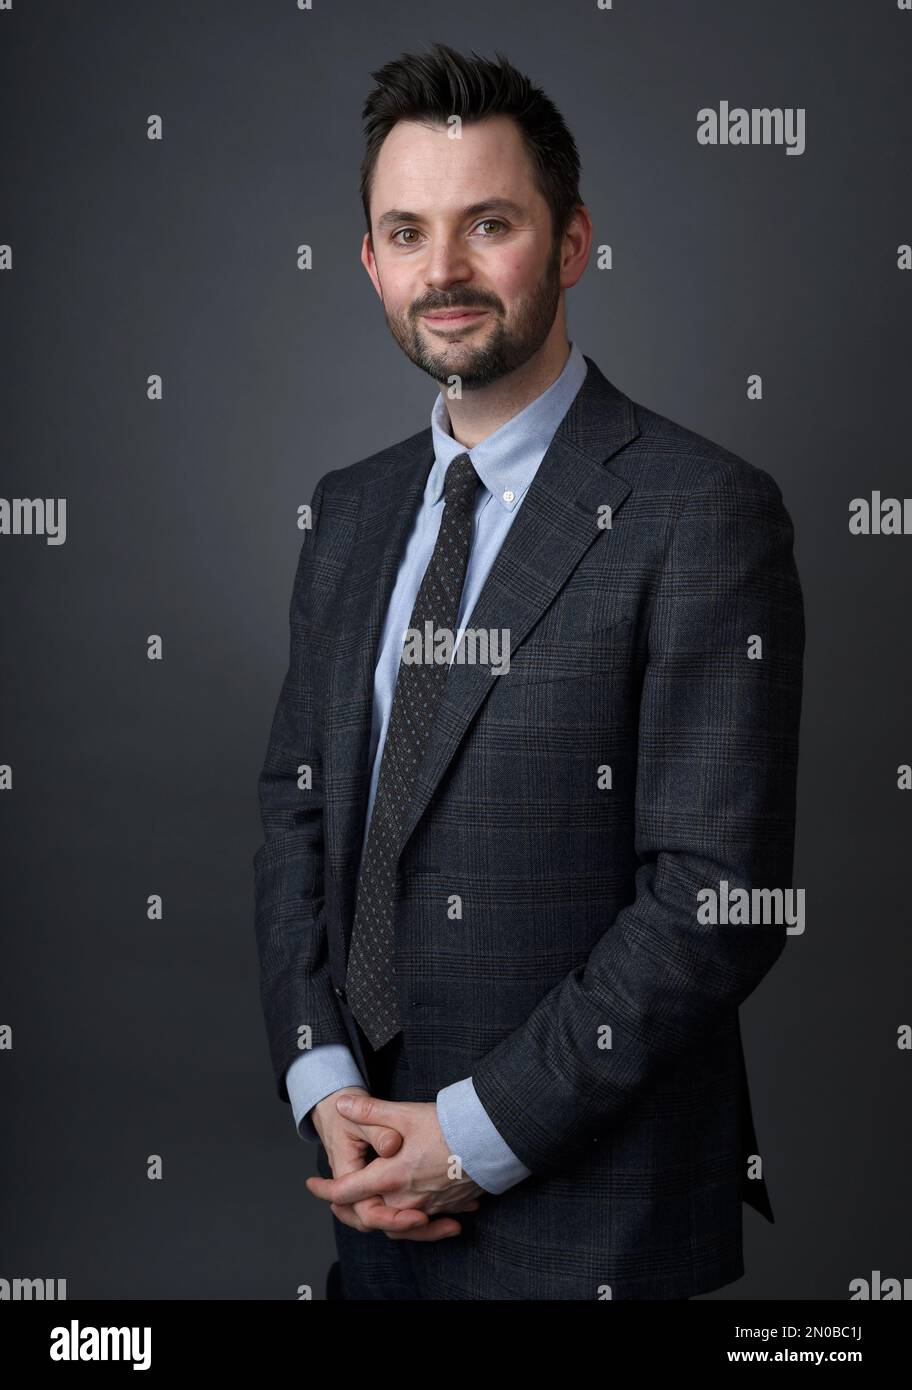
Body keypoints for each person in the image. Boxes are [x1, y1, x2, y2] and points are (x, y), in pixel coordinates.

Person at [253, 41, 805, 1301]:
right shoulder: (348, 513)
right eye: (406, 231)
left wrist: (472, 1136)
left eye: (486, 223)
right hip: (368, 1207)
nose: (441, 271)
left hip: (593, 1223)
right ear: (370, 261)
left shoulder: (702, 512)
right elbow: (295, 812)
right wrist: (322, 1078)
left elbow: (714, 902)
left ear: (568, 243)